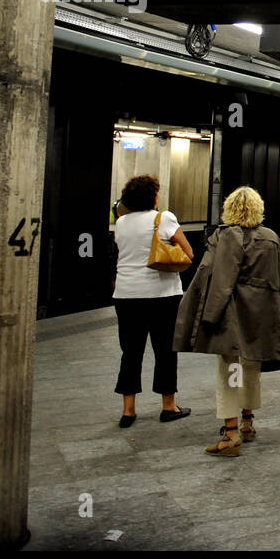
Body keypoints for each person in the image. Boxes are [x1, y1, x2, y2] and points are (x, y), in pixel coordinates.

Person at [174, 186, 280, 457]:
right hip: (262, 313)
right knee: (251, 365)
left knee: (229, 368)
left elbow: (211, 276)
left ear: (229, 208)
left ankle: (229, 433)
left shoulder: (223, 237)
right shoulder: (271, 238)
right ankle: (247, 421)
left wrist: (206, 317)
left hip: (230, 313)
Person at [111, 174, 195, 428]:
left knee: (131, 352)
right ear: (153, 196)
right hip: (162, 295)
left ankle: (128, 410)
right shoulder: (164, 218)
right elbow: (188, 252)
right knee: (165, 351)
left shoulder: (121, 223)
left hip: (126, 296)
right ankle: (168, 406)